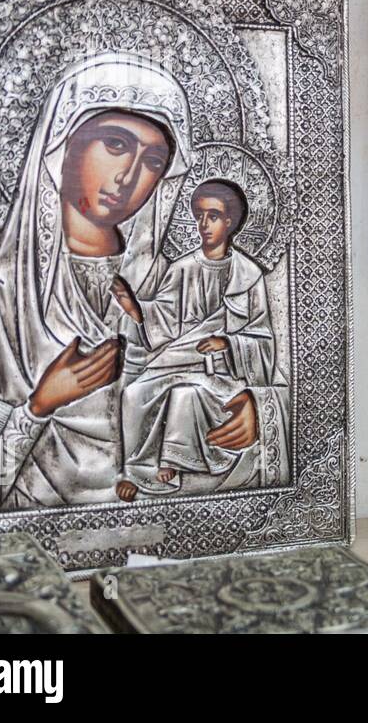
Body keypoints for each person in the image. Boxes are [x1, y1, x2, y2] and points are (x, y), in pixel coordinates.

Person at [0, 53, 195, 514]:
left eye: (154, 160)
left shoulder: (164, 285)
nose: (128, 177)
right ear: (62, 148)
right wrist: (39, 405)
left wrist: (239, 408)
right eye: (116, 144)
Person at [112, 179, 287, 501]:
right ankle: (137, 470)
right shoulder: (182, 269)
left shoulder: (249, 276)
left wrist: (229, 344)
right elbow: (162, 319)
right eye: (199, 216)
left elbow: (263, 339)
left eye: (214, 216)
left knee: (185, 395)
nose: (204, 224)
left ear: (231, 222)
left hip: (220, 372)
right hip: (174, 361)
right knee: (134, 395)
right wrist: (136, 310)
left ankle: (171, 463)